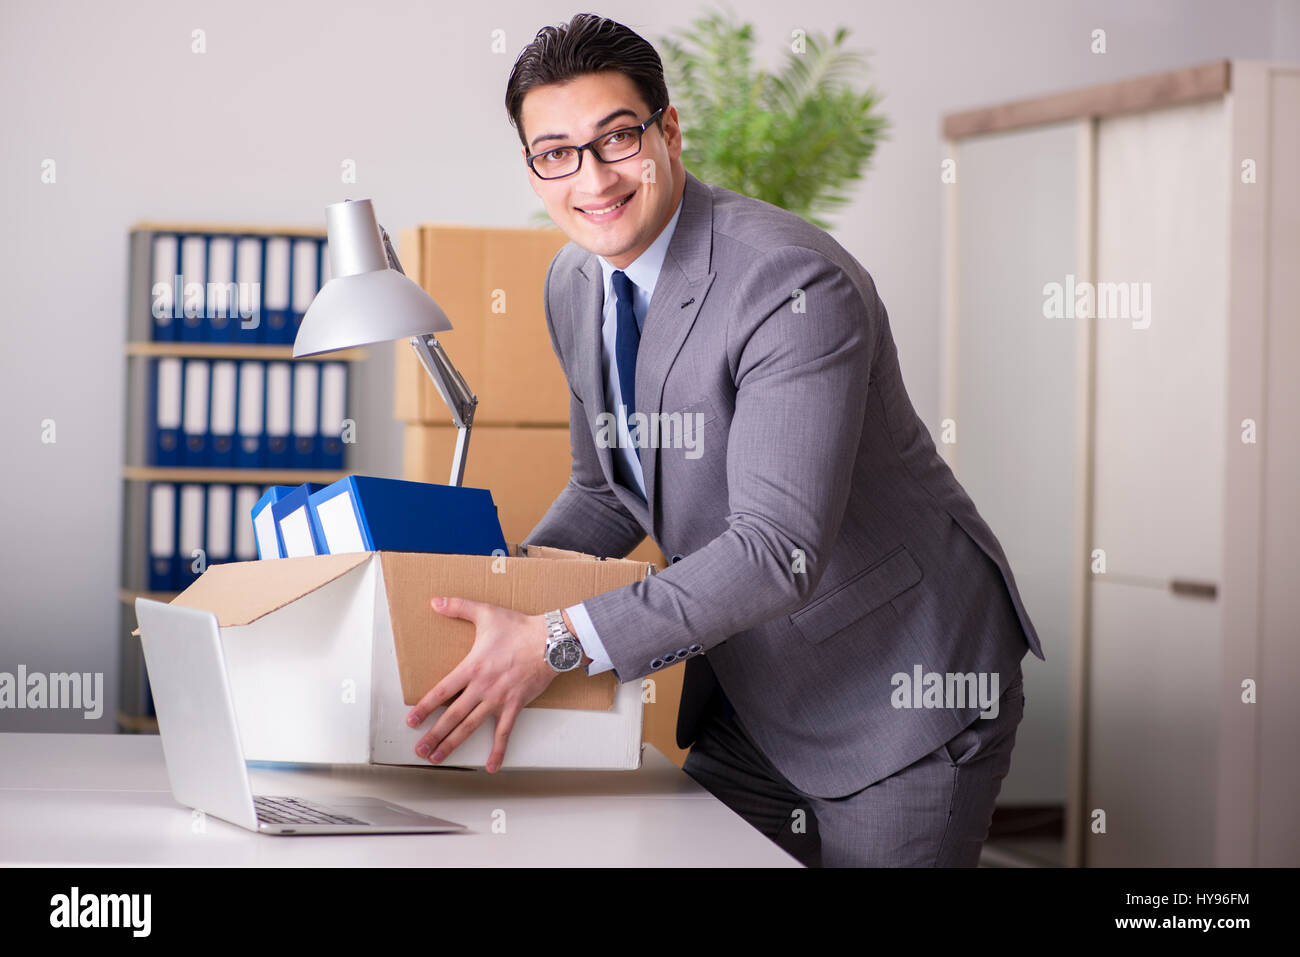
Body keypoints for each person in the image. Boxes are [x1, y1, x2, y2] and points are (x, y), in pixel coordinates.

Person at [405, 13, 1044, 867]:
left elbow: (776, 549)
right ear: (533, 167)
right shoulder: (573, 279)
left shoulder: (789, 282)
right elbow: (607, 489)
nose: (590, 178)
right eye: (555, 151)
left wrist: (554, 639)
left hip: (897, 692)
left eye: (616, 138)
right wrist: (503, 594)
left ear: (667, 132)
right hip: (754, 693)